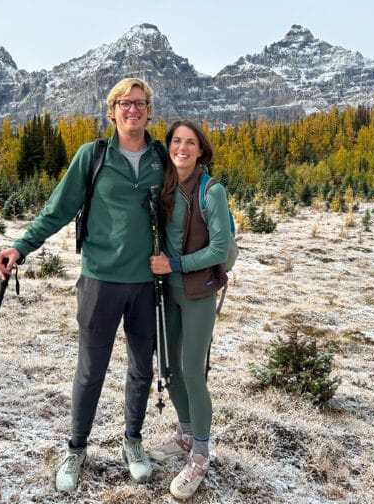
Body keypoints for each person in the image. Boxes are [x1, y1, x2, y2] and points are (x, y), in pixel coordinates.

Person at [0, 77, 167, 493]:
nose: (133, 110)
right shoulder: (92, 156)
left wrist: (215, 254)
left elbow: (192, 203)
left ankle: (133, 442)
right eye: (125, 103)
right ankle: (76, 448)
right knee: (90, 371)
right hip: (99, 281)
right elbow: (58, 210)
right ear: (112, 111)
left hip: (148, 284)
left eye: (140, 103)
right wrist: (20, 247)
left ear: (149, 111)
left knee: (142, 369)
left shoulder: (162, 157)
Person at [148, 120, 231, 500]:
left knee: (192, 372)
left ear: (201, 150)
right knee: (168, 368)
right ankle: (184, 432)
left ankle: (200, 453)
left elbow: (218, 249)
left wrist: (175, 265)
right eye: (176, 141)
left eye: (190, 142)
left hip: (198, 292)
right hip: (167, 291)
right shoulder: (165, 183)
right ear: (169, 147)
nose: (182, 148)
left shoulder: (211, 191)